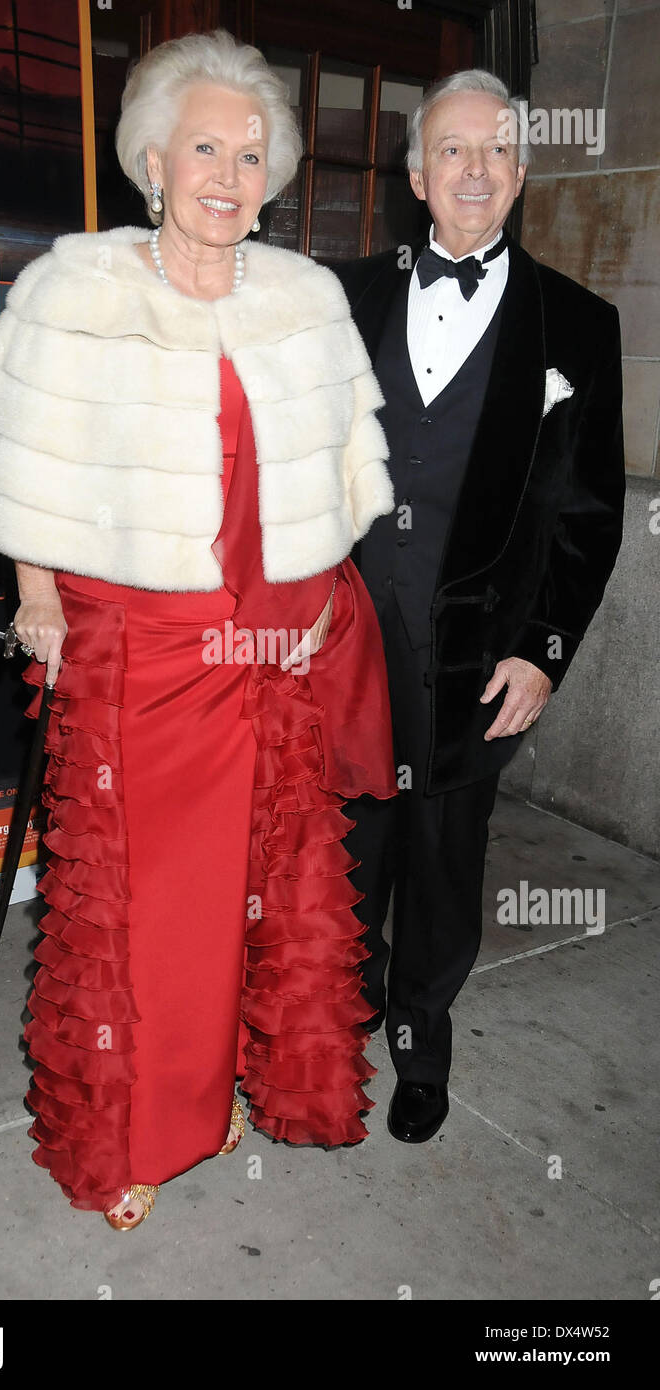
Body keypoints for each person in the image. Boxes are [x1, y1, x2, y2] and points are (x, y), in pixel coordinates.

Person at [0, 29, 397, 1232]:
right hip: (138, 657)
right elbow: (11, 464)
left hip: (271, 656)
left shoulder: (305, 298)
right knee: (150, 913)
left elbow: (341, 481)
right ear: (151, 156)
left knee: (259, 893)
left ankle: (219, 1095)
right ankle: (138, 1131)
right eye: (205, 147)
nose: (228, 176)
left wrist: (314, 606)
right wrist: (37, 594)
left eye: (251, 155)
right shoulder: (78, 289)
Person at [333, 69, 625, 1146]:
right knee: (343, 851)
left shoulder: (579, 329)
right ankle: (333, 1019)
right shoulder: (344, 295)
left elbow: (589, 516)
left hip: (476, 661)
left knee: (445, 856)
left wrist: (543, 652)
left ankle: (420, 1035)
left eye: (497, 151)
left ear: (520, 175)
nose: (474, 169)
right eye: (452, 149)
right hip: (346, 641)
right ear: (417, 174)